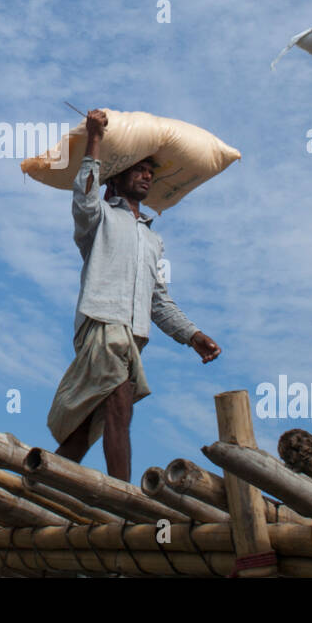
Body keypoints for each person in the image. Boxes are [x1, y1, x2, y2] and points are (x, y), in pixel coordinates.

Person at [47, 109, 222, 483]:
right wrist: (94, 139)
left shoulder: (153, 239)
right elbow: (85, 198)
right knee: (119, 406)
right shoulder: (100, 219)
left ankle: (35, 483)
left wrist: (192, 335)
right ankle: (124, 496)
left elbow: (159, 300)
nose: (146, 175)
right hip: (102, 324)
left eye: (150, 172)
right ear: (116, 179)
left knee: (85, 431)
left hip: (133, 336)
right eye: (139, 169)